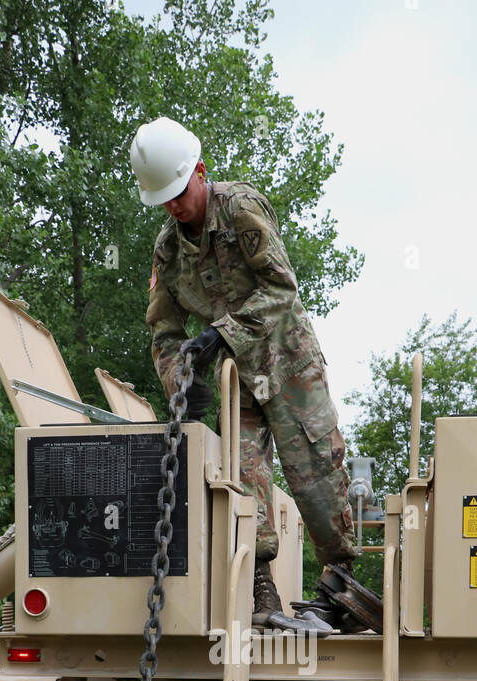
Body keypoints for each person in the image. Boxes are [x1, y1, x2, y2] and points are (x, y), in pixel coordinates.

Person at [129, 115, 361, 631]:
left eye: (178, 192)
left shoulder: (240, 209)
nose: (173, 205)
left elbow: (282, 288)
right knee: (241, 482)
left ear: (201, 172)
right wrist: (180, 380)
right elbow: (163, 332)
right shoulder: (166, 253)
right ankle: (261, 590)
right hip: (240, 385)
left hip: (287, 363)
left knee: (316, 474)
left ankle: (340, 588)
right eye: (161, 198)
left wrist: (221, 334)